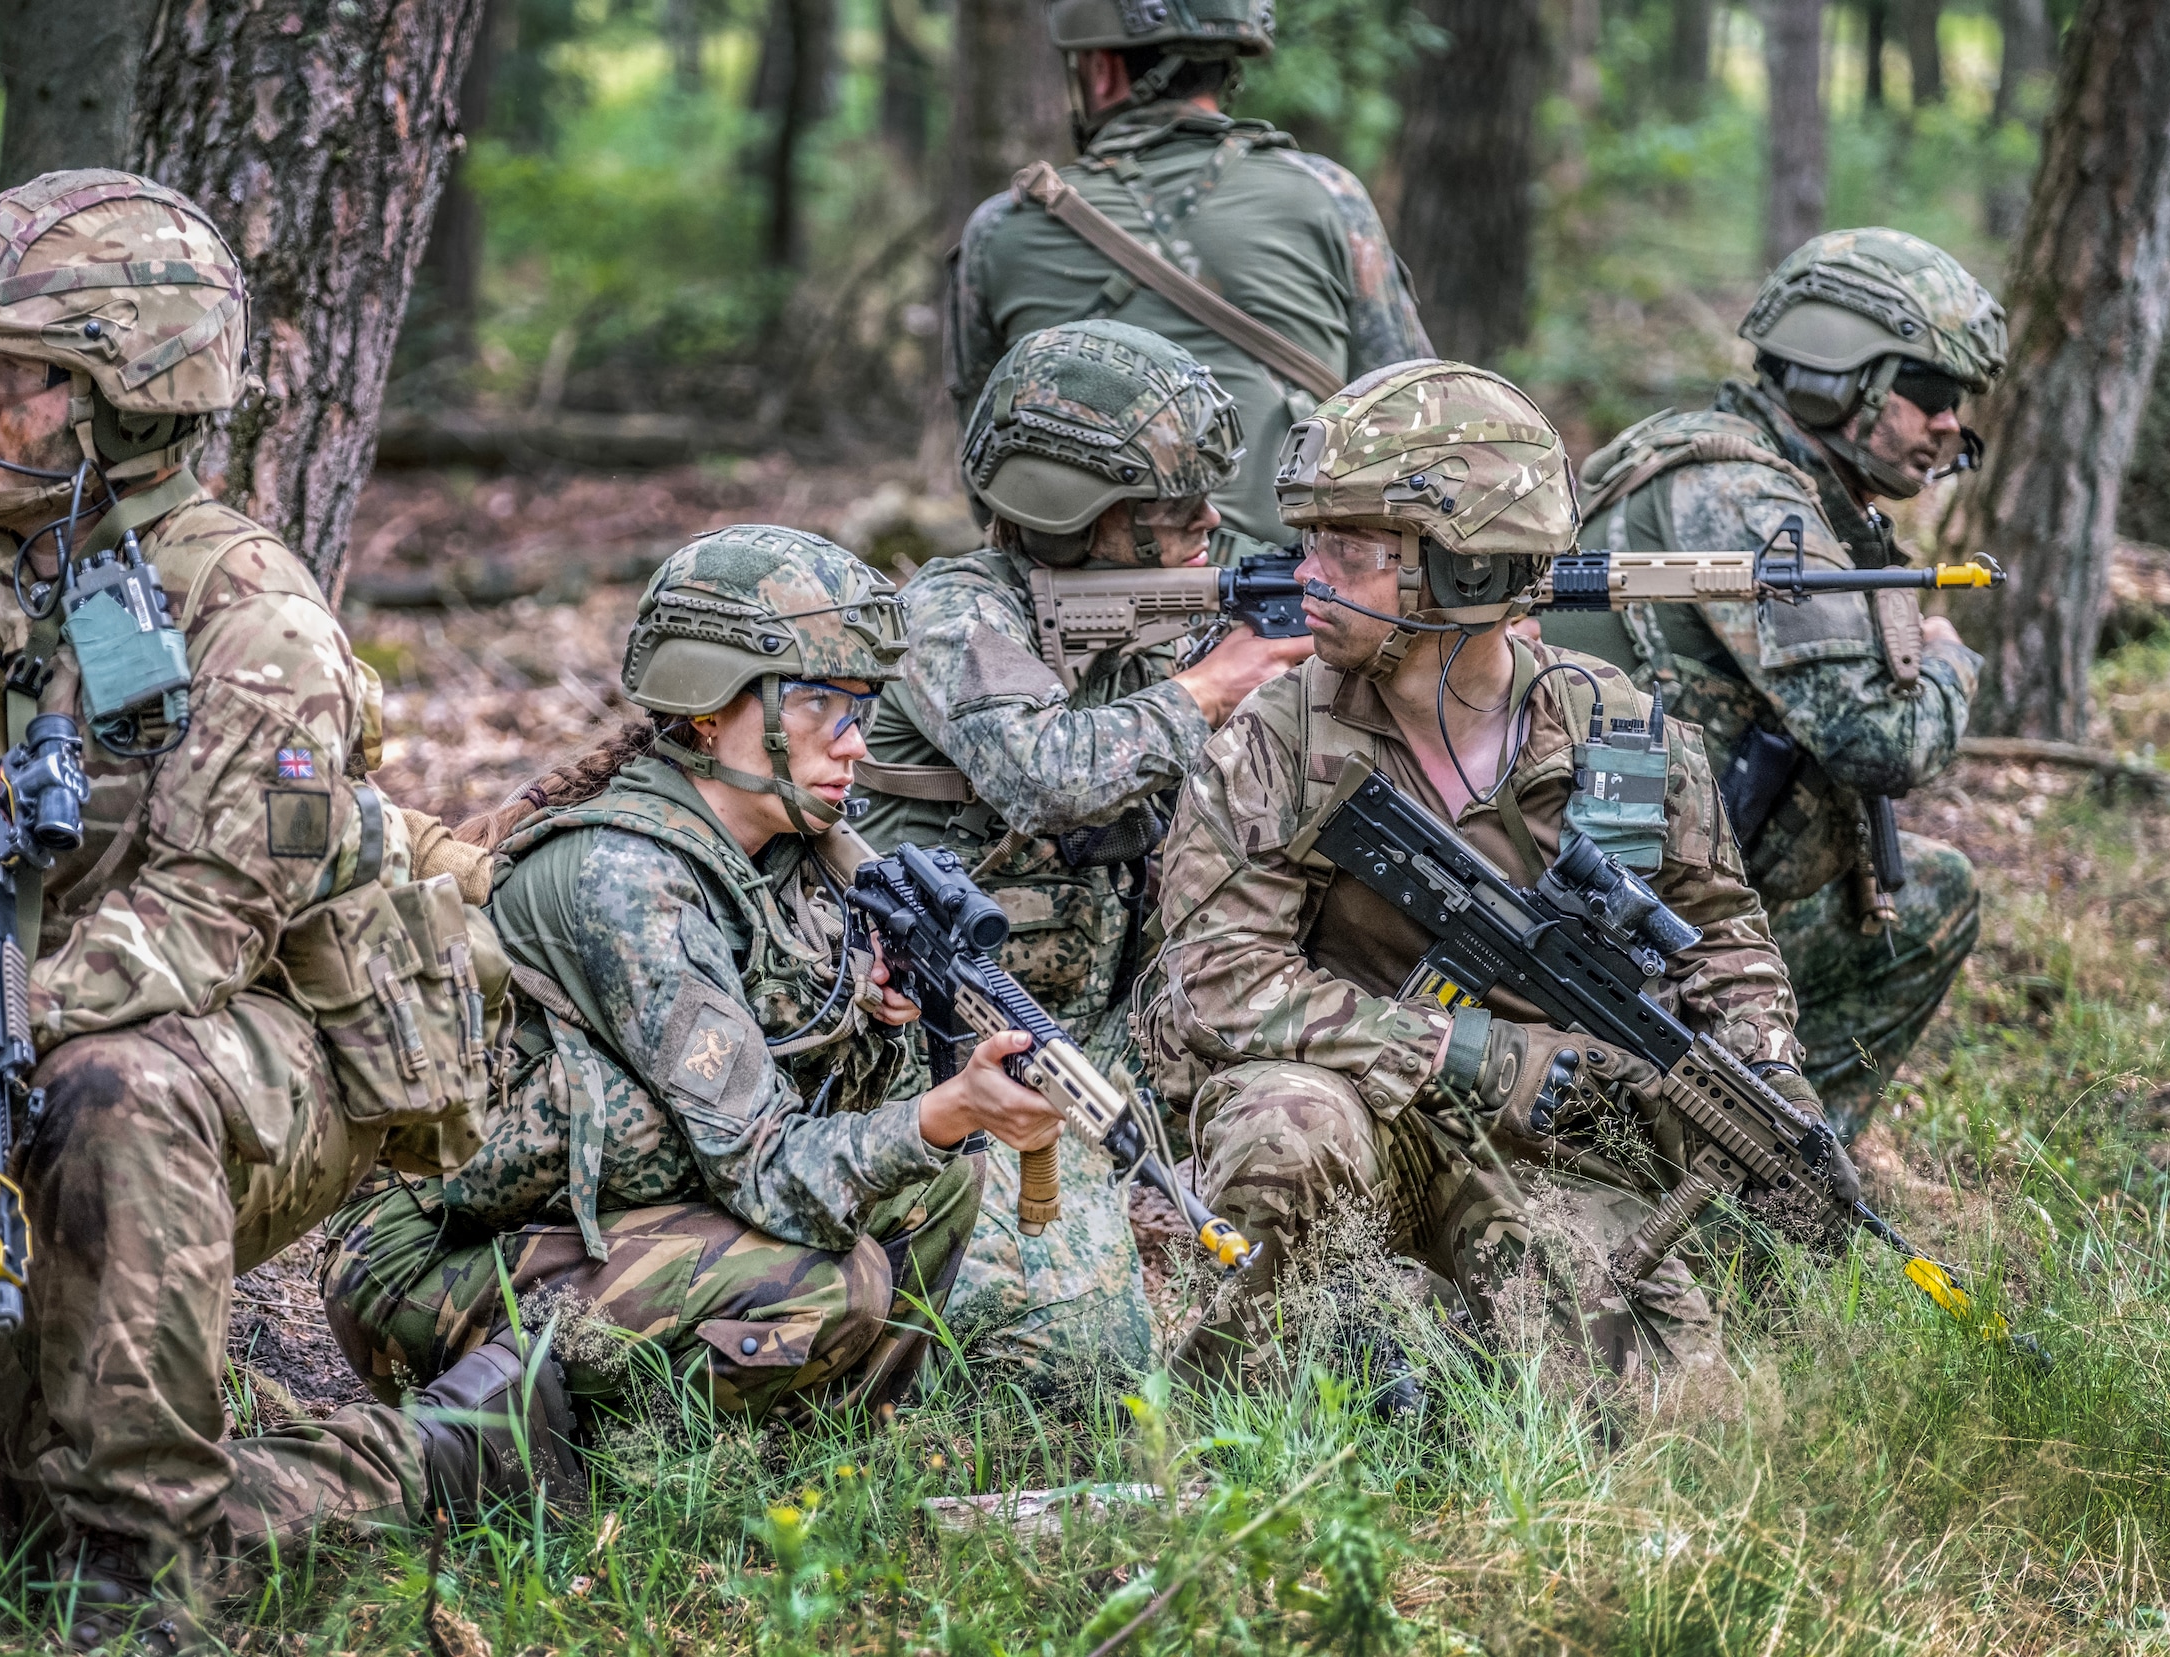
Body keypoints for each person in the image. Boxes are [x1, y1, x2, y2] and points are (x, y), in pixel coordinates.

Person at [0, 170, 562, 1650]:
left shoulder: (252, 614)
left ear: (129, 394)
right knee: (11, 1539)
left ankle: (256, 1532)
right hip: (1, 1046)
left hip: (272, 1053)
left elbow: (206, 921)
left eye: (15, 374)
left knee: (108, 1095)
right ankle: (376, 1463)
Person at [1145, 359, 1830, 1382]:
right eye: (1309, 544)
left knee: (1673, 1411)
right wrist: (1469, 1052)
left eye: (1347, 551)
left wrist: (1767, 1070)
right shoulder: (1276, 739)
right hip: (1351, 1119)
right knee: (1286, 1128)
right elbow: (1213, 984)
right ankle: (1219, 1413)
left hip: (1544, 1154)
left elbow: (1720, 938)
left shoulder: (1623, 735)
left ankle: (1417, 1352)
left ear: (1463, 571)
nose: (1305, 577)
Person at [319, 528, 1068, 1433]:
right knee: (832, 1284)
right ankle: (561, 1456)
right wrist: (943, 1110)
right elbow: (767, 1166)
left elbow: (811, 1103)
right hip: (431, 1255)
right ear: (711, 710)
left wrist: (878, 1023)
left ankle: (800, 1462)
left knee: (937, 1183)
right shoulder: (629, 877)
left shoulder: (789, 851)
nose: (857, 743)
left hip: (601, 1213)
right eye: (822, 705)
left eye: (863, 707)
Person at [856, 320, 1311, 1378]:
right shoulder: (950, 613)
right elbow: (1047, 771)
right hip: (956, 1055)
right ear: (1076, 514)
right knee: (1073, 1361)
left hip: (1119, 1038)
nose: (1208, 522)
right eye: (1168, 509)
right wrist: (1219, 684)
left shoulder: (1167, 609)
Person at [1538, 229, 2006, 1139]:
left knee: (1925, 887)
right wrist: (1948, 657)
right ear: (1839, 381)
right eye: (1931, 393)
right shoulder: (1746, 498)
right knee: (1933, 908)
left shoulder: (1706, 455)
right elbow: (1880, 739)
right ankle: (1756, 1181)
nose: (1950, 425)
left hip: (1629, 894)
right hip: (1616, 938)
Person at [946, 0, 1433, 554]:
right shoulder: (1331, 197)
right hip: (1295, 592)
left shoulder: (1001, 227)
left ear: (1102, 69)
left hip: (1079, 590)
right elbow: (1410, 417)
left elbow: (983, 471)